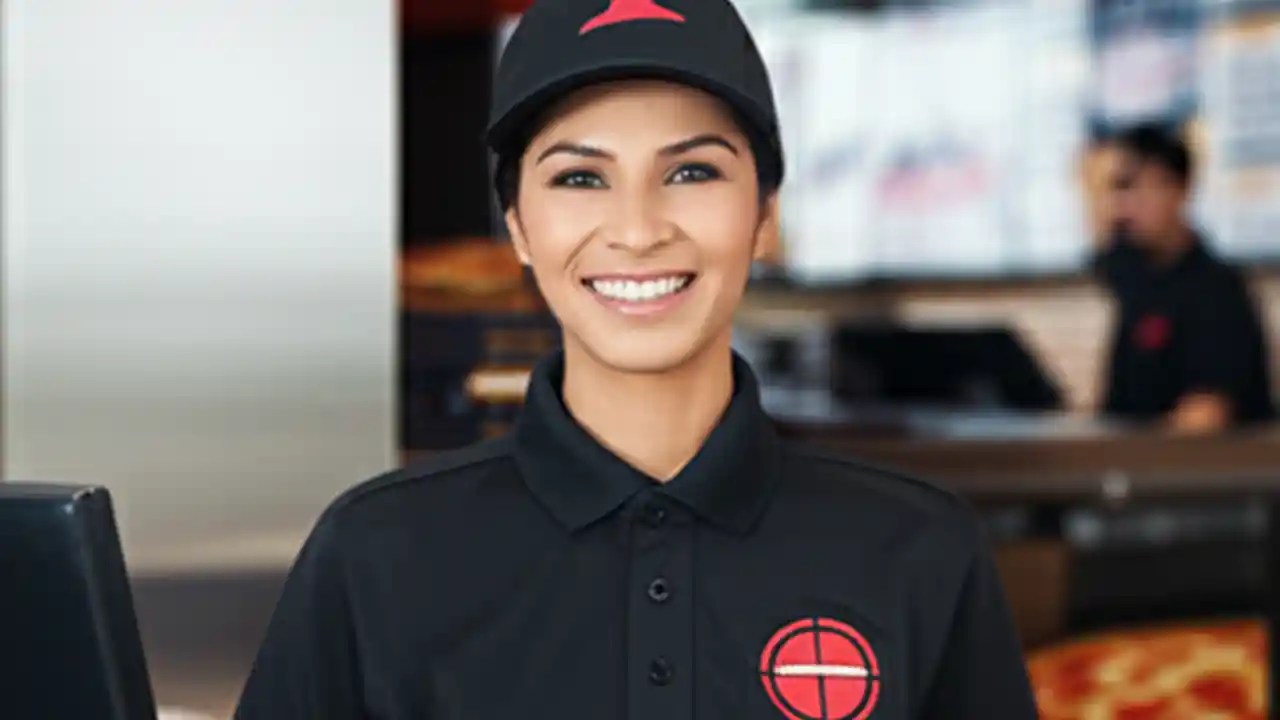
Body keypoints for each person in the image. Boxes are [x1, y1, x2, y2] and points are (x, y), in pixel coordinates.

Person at [235, 0, 1037, 717]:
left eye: (691, 171)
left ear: (763, 214)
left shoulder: (918, 549)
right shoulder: (377, 552)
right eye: (581, 177)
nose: (638, 227)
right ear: (518, 225)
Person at [1090, 123, 1273, 433]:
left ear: (1178, 188)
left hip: (1200, 473)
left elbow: (1207, 414)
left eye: (1131, 186)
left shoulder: (1216, 290)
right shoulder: (1139, 284)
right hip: (1132, 468)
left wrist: (1135, 463)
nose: (1122, 206)